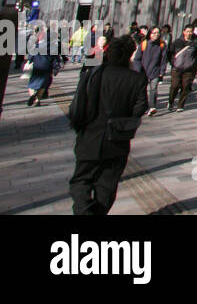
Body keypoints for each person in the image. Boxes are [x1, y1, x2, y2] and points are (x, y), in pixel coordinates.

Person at [67, 36, 148, 215]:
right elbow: (140, 108)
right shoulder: (137, 79)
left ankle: (85, 211)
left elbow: (78, 104)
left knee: (81, 180)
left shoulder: (94, 74)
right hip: (117, 138)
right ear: (130, 55)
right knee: (107, 185)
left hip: (89, 135)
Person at [166, 24, 197, 111]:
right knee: (175, 85)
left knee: (186, 87)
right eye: (187, 31)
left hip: (188, 69)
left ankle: (180, 105)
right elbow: (170, 53)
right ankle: (171, 102)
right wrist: (173, 63)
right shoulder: (177, 42)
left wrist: (193, 65)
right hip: (177, 68)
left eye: (190, 32)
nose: (189, 33)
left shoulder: (195, 43)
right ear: (184, 32)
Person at [26, 28, 59, 106]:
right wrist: (55, 68)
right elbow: (55, 59)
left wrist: (30, 61)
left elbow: (30, 57)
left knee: (32, 83)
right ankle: (37, 100)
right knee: (43, 85)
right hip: (47, 68)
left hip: (37, 66)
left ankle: (32, 95)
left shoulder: (36, 47)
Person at [139, 27, 167, 116]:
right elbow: (137, 58)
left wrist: (162, 71)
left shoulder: (162, 45)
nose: (156, 34)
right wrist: (137, 69)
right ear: (150, 34)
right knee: (142, 90)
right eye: (154, 33)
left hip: (155, 71)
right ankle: (144, 106)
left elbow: (163, 59)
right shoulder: (144, 44)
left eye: (158, 33)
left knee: (153, 89)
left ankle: (152, 107)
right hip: (143, 71)